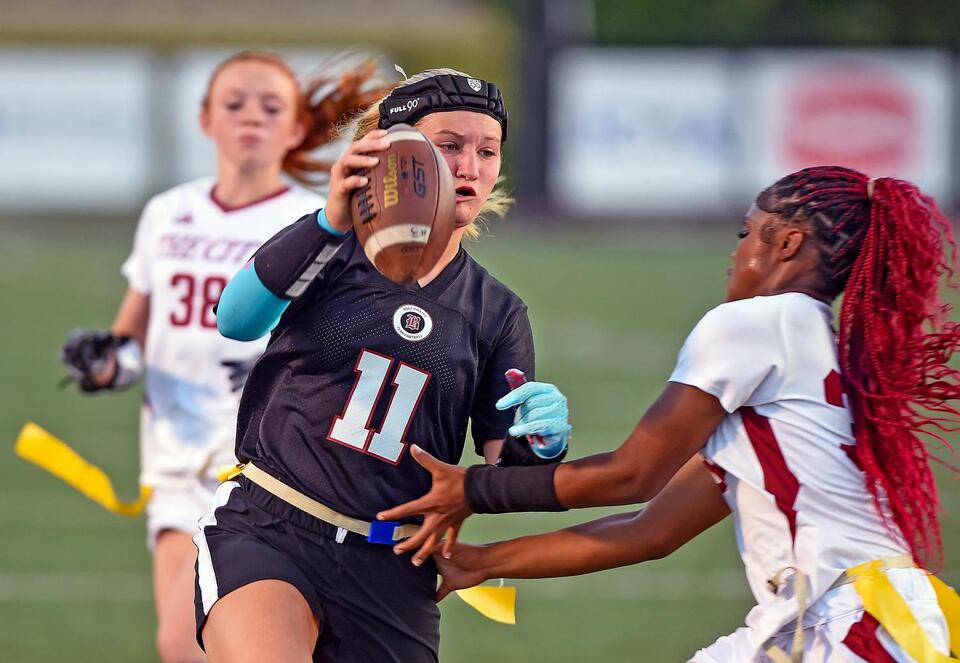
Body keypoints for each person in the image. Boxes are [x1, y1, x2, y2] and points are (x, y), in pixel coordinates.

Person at [381, 166, 960, 661]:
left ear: (785, 243)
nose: (734, 251)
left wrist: (473, 489)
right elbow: (650, 531)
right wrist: (482, 562)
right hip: (856, 619)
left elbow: (634, 475)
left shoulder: (758, 322)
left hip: (845, 626)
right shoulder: (812, 355)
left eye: (748, 232)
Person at [194, 69, 569, 663]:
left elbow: (503, 471)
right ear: (396, 155)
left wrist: (539, 446)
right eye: (448, 147)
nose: (470, 166)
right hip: (271, 529)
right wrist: (328, 220)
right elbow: (237, 319)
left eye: (487, 150)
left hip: (393, 567)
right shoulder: (330, 248)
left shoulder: (496, 313)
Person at [58, 51, 386, 663]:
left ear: (293, 129)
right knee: (180, 645)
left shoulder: (310, 220)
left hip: (273, 468)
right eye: (234, 104)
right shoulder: (166, 214)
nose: (251, 118)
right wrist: (104, 365)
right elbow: (133, 344)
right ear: (205, 119)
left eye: (271, 108)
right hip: (180, 466)